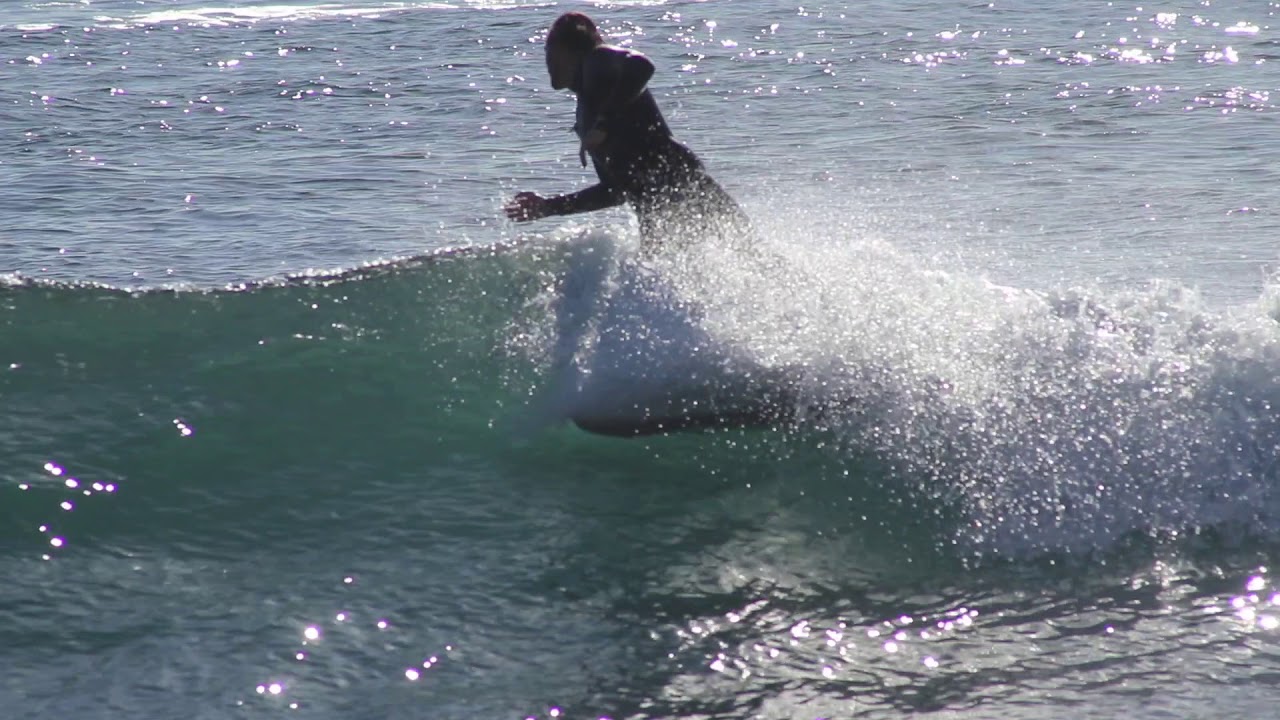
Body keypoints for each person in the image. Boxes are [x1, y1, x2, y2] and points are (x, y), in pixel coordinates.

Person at [504, 12, 751, 254]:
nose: (547, 60)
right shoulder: (585, 112)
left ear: (571, 50)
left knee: (752, 257)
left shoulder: (596, 59)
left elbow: (641, 65)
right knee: (668, 280)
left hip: (680, 181)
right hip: (652, 205)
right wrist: (549, 207)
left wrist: (604, 124)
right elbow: (615, 191)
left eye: (550, 49)